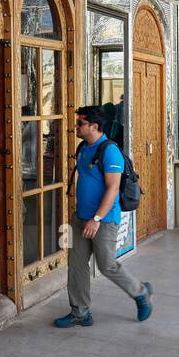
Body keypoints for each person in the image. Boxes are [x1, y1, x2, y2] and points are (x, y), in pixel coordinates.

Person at [54, 106, 153, 328]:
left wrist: (96, 219)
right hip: (80, 218)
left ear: (94, 127)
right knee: (77, 266)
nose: (76, 127)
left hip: (104, 220)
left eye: (80, 123)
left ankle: (141, 292)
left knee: (107, 265)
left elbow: (113, 189)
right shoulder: (83, 148)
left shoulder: (110, 151)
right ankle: (80, 312)